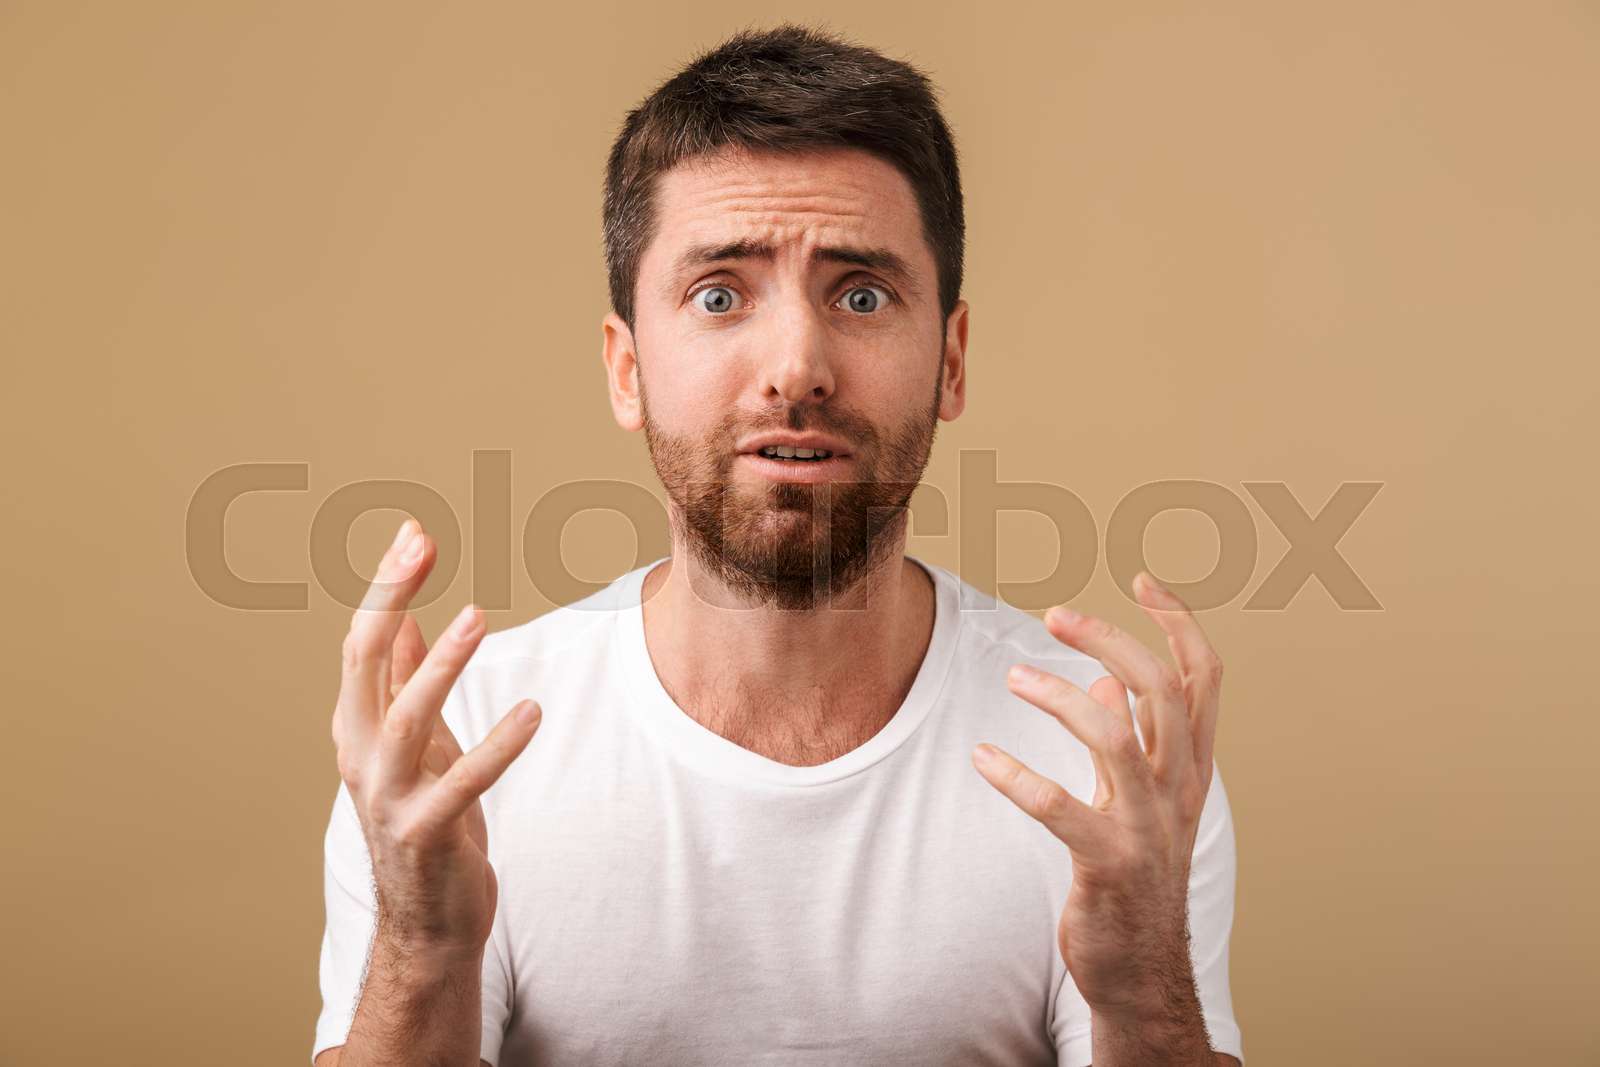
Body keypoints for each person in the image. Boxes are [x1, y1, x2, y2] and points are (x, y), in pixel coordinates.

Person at [313, 24, 1243, 1067]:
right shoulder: (454, 752)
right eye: (719, 295)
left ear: (951, 359)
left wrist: (1141, 987)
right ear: (626, 368)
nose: (796, 366)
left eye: (861, 294)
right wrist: (423, 945)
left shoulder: (1105, 760)